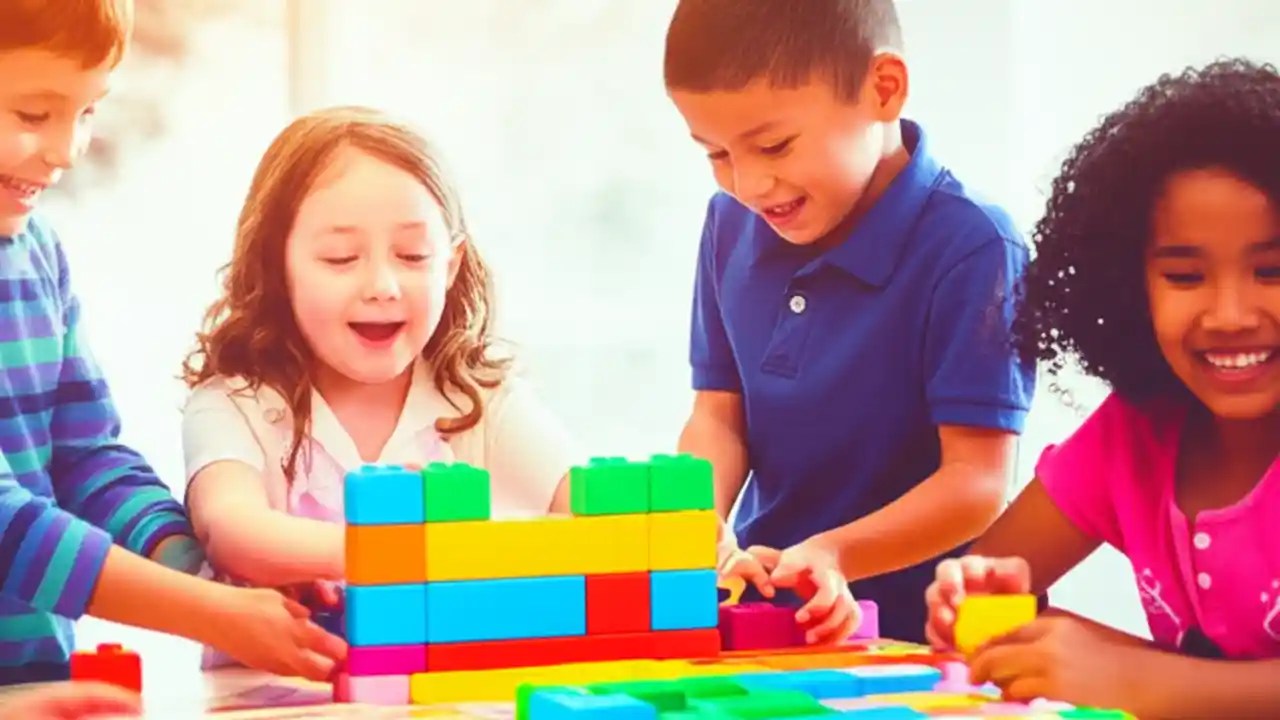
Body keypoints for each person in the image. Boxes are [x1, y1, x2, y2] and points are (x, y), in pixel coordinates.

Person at [664, 0, 1034, 644]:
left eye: (773, 145)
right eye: (716, 153)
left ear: (883, 90)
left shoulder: (974, 247)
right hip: (768, 619)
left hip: (923, 641)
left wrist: (835, 554)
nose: (748, 182)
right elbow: (719, 418)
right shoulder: (730, 225)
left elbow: (976, 483)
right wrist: (699, 522)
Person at [0, 0, 345, 684]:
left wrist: (207, 573)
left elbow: (86, 457)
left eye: (88, 110)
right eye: (34, 114)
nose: (68, 149)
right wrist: (205, 612)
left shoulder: (38, 258)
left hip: (32, 679)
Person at [924, 58, 1280, 717]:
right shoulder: (1133, 434)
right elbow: (993, 577)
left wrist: (1136, 680)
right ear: (1129, 286)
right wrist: (981, 607)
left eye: (1273, 270)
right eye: (1185, 277)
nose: (1231, 314)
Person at [179, 107, 580, 657]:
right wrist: (404, 547)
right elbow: (231, 531)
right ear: (278, 264)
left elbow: (597, 515)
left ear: (451, 263)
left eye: (413, 256)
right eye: (341, 258)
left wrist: (709, 553)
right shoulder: (236, 405)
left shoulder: (480, 401)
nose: (383, 285)